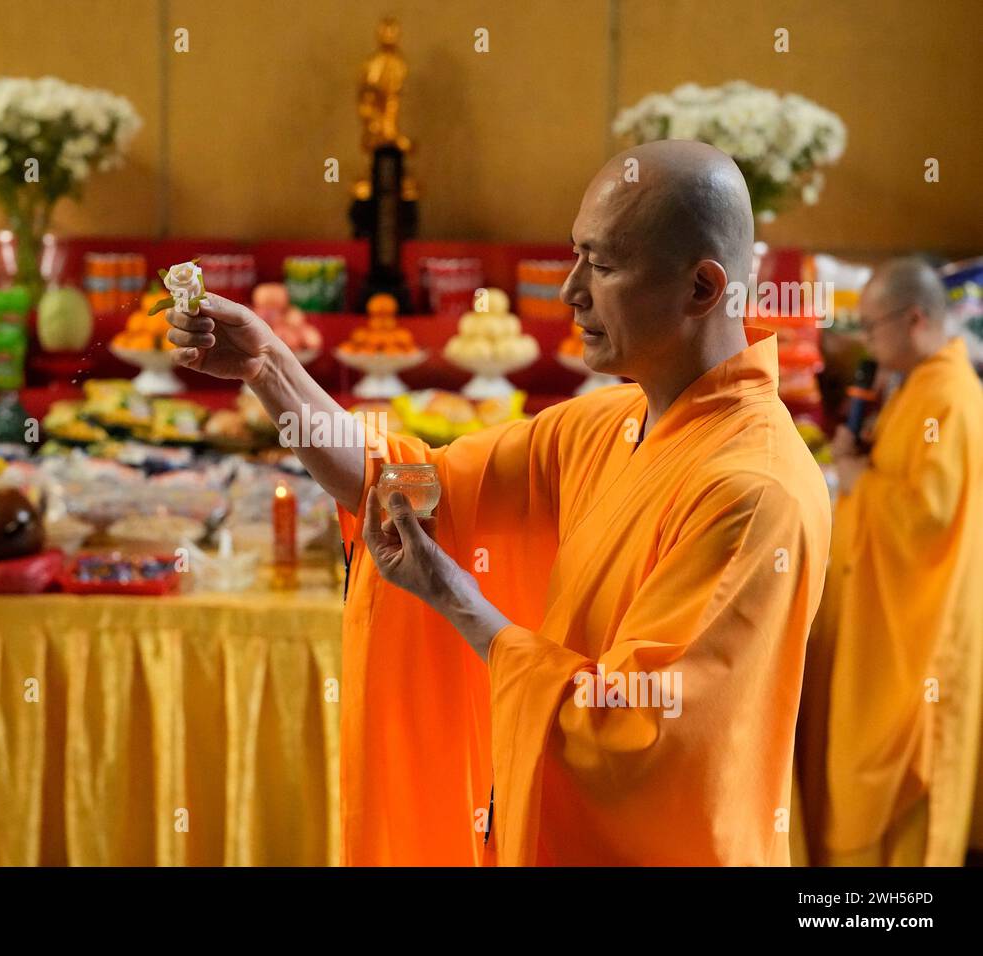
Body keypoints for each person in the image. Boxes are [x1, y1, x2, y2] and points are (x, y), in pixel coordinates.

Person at [164, 140, 831, 865]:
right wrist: (271, 369)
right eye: (576, 256)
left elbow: (634, 734)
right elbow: (409, 490)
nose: (571, 291)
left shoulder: (749, 490)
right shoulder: (611, 424)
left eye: (603, 266)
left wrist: (463, 606)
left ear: (703, 288)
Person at [796, 257, 983, 866]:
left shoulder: (948, 397)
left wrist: (858, 478)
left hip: (914, 633)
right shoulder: (922, 384)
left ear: (915, 319)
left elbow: (927, 515)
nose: (866, 343)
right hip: (882, 613)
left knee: (895, 780)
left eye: (872, 328)